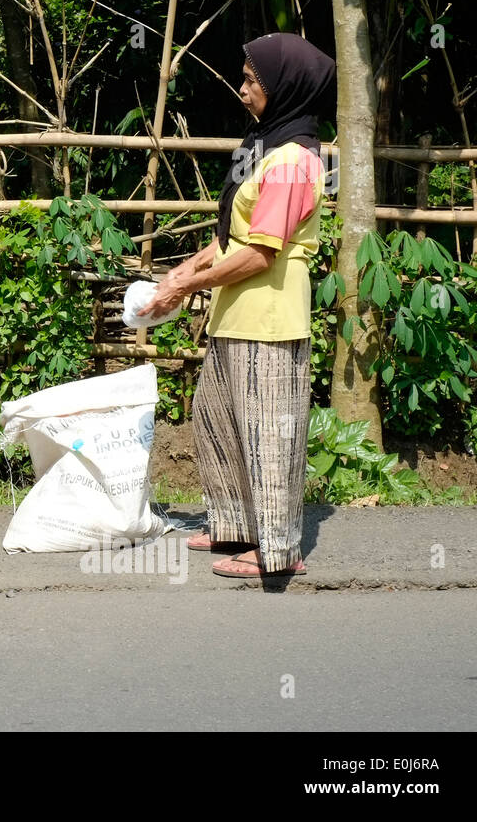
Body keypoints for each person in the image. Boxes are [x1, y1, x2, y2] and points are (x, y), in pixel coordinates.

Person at [140, 32, 335, 578]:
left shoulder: (294, 160)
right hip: (237, 312)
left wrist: (185, 288)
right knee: (216, 418)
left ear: (285, 87)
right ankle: (234, 525)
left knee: (268, 433)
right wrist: (188, 268)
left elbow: (260, 254)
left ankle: (277, 551)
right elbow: (235, 232)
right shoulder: (266, 146)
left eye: (253, 80)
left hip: (270, 316)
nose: (242, 89)